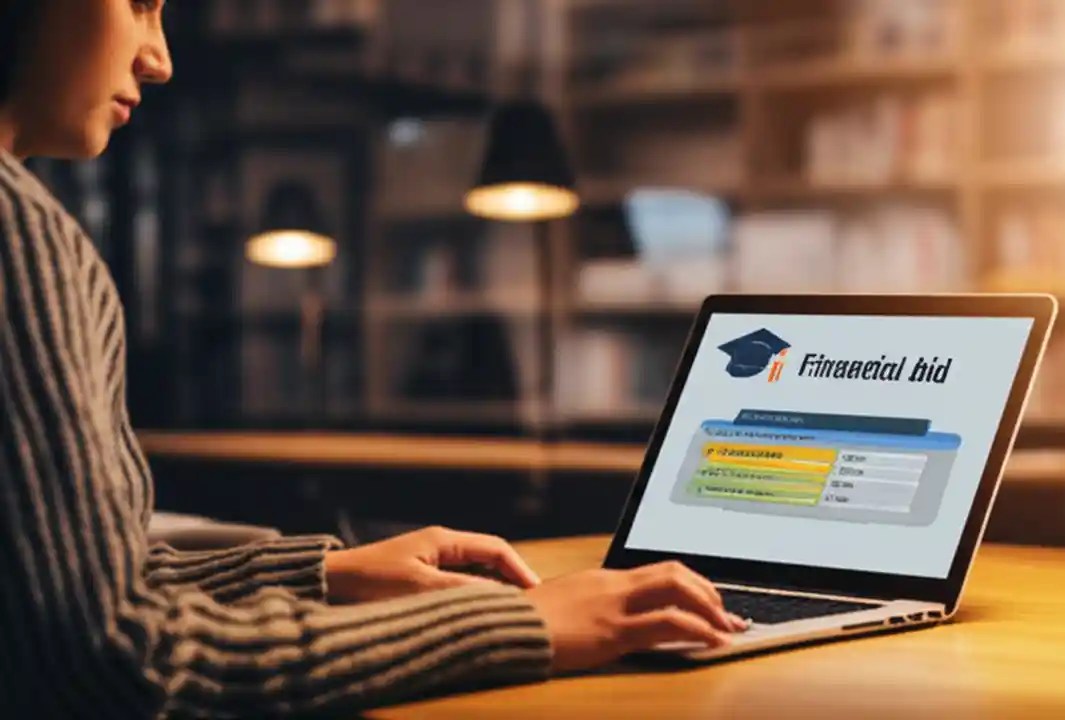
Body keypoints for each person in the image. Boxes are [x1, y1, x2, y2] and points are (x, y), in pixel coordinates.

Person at [0, 1, 747, 716]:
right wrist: (526, 628)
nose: (159, 59)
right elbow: (118, 664)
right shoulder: (18, 234)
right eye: (137, 2)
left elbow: (54, 598)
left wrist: (324, 576)